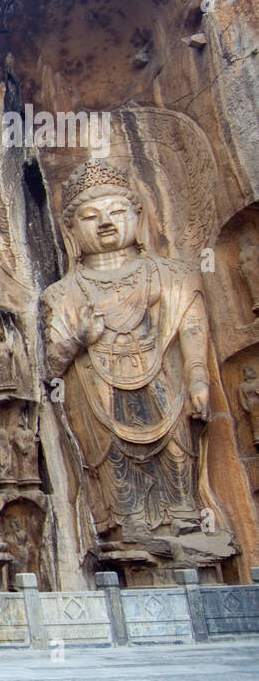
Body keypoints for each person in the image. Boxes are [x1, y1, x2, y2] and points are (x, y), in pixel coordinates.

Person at [42, 160, 232, 561]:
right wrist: (79, 338)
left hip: (163, 379)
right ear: (72, 231)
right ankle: (127, 525)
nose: (106, 223)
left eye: (117, 212)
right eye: (91, 217)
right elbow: (51, 367)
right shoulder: (61, 295)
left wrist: (199, 379)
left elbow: (193, 332)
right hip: (96, 390)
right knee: (112, 453)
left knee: (178, 447)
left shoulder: (173, 276)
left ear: (137, 215)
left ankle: (185, 516)